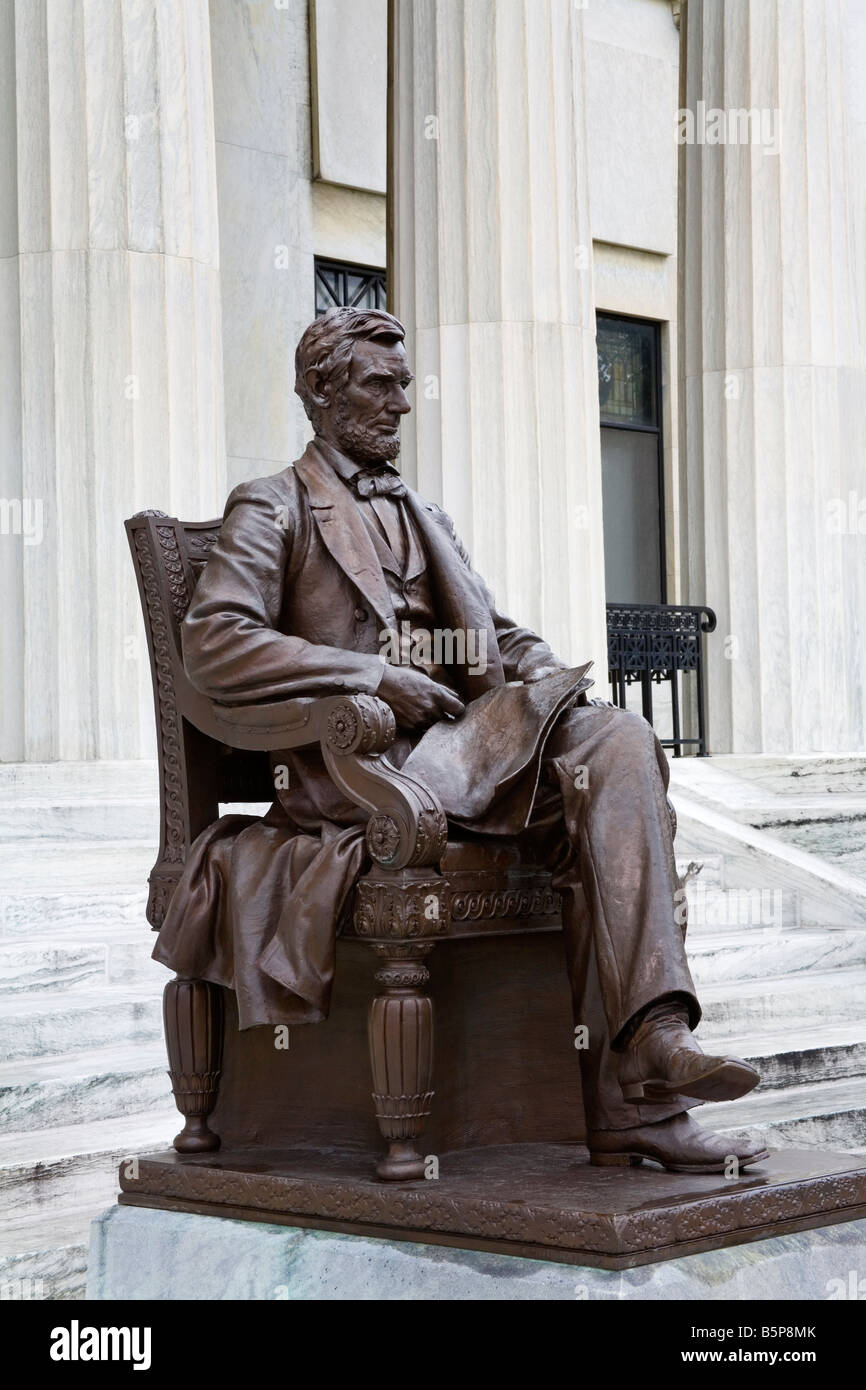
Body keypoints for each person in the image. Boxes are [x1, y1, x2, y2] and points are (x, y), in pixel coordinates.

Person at [154, 307, 768, 1174]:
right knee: (604, 765)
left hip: (467, 758)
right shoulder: (273, 504)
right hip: (367, 773)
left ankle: (650, 1052)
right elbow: (214, 639)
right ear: (321, 393)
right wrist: (366, 677)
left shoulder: (426, 514)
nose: (401, 403)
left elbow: (494, 639)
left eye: (404, 385)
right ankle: (642, 1091)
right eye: (379, 384)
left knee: (616, 739)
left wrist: (551, 681)